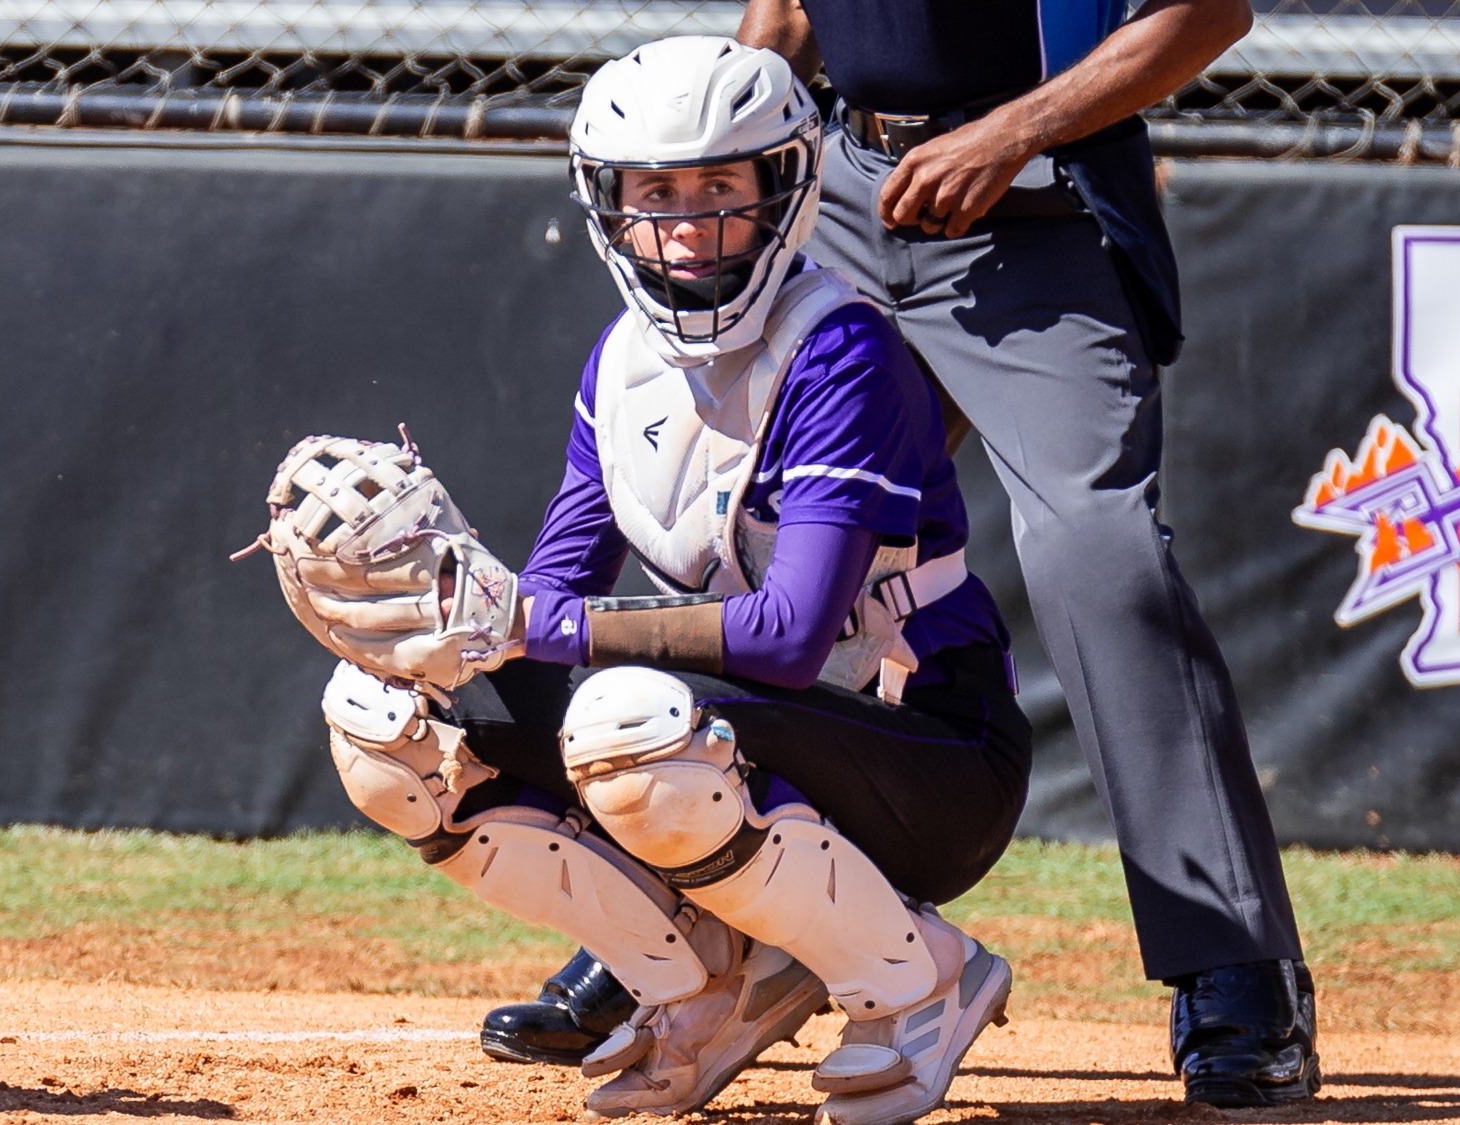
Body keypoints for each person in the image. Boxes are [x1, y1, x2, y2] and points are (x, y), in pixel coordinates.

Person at [487, 0, 1323, 1111]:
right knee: (734, 527)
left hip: (1031, 207)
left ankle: (1231, 963)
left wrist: (1013, 130)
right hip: (832, 191)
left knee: (1096, 553)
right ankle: (685, 919)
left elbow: (1201, 15)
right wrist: (722, 164)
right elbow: (787, 15)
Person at [279, 36, 1031, 1123]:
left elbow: (785, 638)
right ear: (607, 203)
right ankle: (700, 986)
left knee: (629, 722)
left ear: (787, 186)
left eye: (720, 187)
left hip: (933, 766)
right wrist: (440, 635)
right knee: (390, 726)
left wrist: (534, 622)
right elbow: (545, 598)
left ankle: (920, 980)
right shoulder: (621, 361)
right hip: (768, 743)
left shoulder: (841, 352)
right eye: (654, 192)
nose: (687, 223)